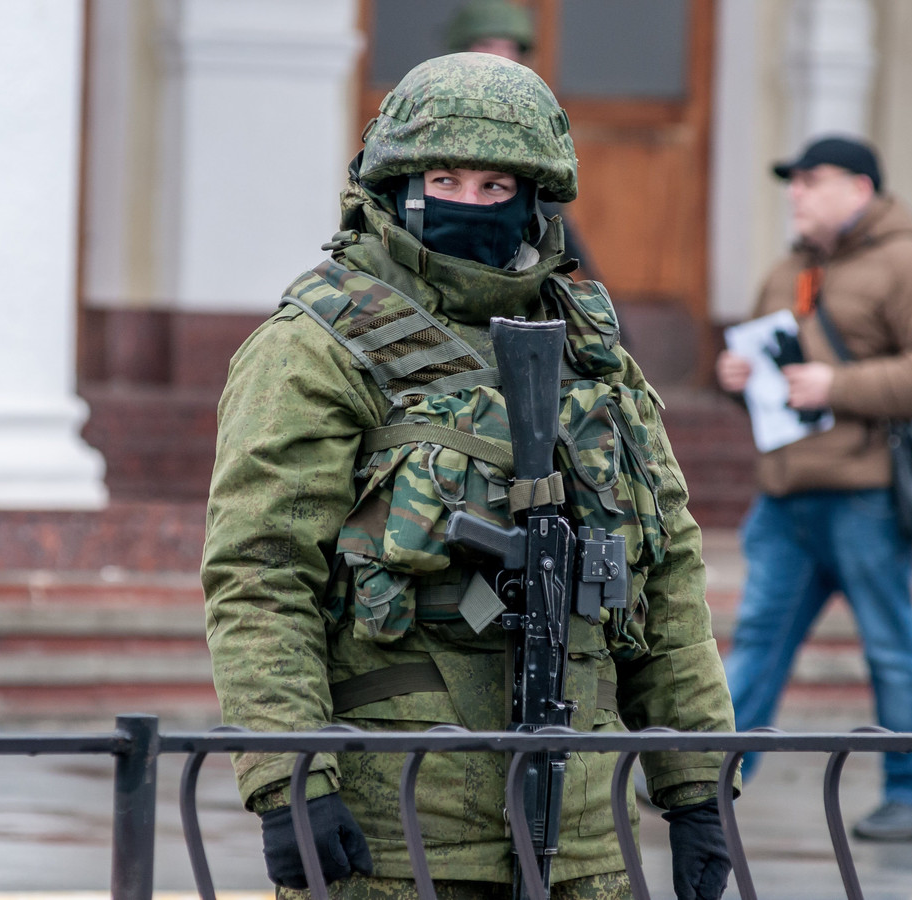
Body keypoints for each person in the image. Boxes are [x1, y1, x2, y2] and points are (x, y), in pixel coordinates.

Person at [203, 53, 736, 899]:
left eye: (497, 187)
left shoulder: (590, 351)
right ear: (397, 186)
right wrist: (289, 776)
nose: (472, 205)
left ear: (533, 199)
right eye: (444, 179)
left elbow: (664, 570)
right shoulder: (317, 346)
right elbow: (263, 574)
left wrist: (697, 787)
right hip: (405, 825)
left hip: (587, 830)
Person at [715, 135, 912, 842]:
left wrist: (840, 385)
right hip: (785, 497)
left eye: (811, 180)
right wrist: (732, 380)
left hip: (863, 496)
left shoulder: (911, 264)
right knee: (756, 642)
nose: (795, 192)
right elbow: (770, 376)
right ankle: (710, 779)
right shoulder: (785, 270)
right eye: (790, 181)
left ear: (859, 188)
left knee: (890, 647)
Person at [443, 0, 600, 281]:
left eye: (509, 47)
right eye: (488, 45)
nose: (500, 56)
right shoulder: (433, 101)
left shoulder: (532, 110)